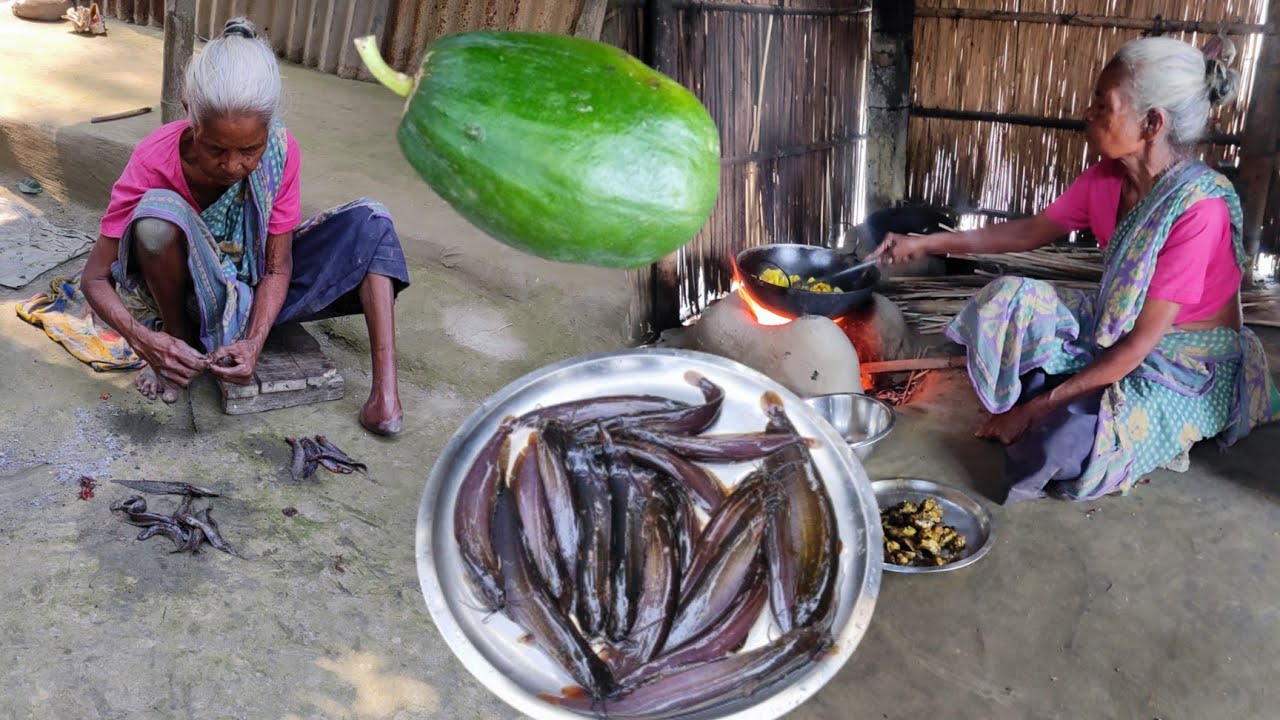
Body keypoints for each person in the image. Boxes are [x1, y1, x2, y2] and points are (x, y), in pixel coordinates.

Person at [869, 36, 1280, 502]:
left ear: (1152, 123)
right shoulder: (1107, 179)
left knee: (1056, 449)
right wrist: (925, 242)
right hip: (1117, 330)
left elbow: (1141, 345)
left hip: (1185, 359)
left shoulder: (1198, 210)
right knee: (1008, 300)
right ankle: (1071, 396)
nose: (1088, 113)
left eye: (1104, 105)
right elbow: (1026, 233)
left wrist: (1031, 410)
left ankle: (1063, 401)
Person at [18, 18, 410, 436]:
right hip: (185, 293)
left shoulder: (281, 149)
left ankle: (384, 397)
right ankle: (178, 340)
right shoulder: (155, 158)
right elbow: (94, 278)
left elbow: (278, 268)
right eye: (215, 148)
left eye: (250, 150)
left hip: (258, 288)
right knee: (155, 218)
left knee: (371, 220)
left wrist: (255, 343)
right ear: (190, 116)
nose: (233, 165)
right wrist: (145, 342)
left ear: (269, 130)